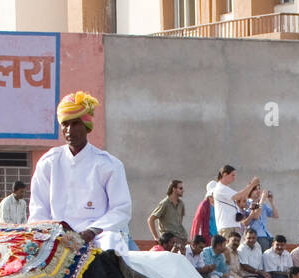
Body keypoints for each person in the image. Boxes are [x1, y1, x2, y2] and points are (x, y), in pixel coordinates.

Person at [28, 91, 131, 252]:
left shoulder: (108, 164)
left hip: (98, 235)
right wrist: (52, 233)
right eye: (65, 124)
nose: (69, 130)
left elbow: (121, 210)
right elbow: (38, 210)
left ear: (87, 127)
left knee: (113, 243)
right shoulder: (49, 162)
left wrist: (91, 232)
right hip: (56, 236)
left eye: (75, 124)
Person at [211, 165, 261, 239]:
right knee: (228, 249)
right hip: (227, 226)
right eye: (232, 175)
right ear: (225, 175)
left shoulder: (226, 188)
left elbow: (242, 195)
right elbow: (239, 196)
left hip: (233, 225)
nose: (234, 178)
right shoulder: (220, 188)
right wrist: (252, 185)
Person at [147, 179, 186, 245]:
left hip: (181, 239)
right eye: (180, 188)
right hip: (168, 241)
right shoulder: (164, 203)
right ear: (174, 189)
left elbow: (180, 222)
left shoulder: (181, 204)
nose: (183, 190)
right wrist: (156, 237)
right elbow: (150, 220)